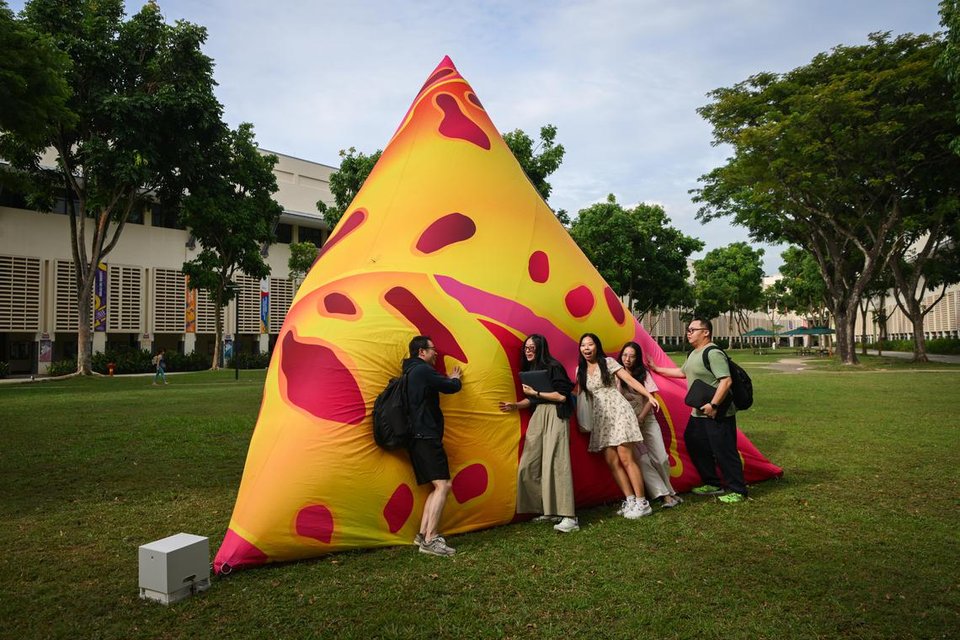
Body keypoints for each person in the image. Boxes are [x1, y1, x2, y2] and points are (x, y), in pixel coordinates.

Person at [647, 318, 748, 504]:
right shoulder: (694, 353)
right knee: (695, 443)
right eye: (688, 329)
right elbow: (682, 372)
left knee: (724, 450)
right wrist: (655, 368)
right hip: (698, 413)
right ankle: (713, 483)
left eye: (692, 329)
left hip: (718, 413)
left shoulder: (713, 352)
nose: (688, 332)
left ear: (706, 332)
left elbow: (726, 381)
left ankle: (738, 490)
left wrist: (714, 405)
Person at [499, 334, 578, 533]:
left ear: (541, 348)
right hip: (539, 414)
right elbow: (534, 400)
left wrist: (536, 394)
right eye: (526, 348)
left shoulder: (553, 366)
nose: (528, 351)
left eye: (532, 347)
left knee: (558, 463)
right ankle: (547, 509)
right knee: (530, 462)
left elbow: (561, 396)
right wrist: (516, 405)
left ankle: (569, 516)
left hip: (556, 414)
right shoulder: (530, 369)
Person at [576, 333, 661, 519]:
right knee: (612, 461)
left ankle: (642, 503)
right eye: (583, 345)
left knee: (626, 458)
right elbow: (579, 395)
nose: (587, 348)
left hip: (619, 412)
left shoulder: (607, 363)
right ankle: (630, 500)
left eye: (590, 344)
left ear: (596, 346)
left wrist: (648, 396)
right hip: (601, 418)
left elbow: (630, 380)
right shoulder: (580, 371)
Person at [403, 335, 463, 556]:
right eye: (432, 349)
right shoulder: (422, 370)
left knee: (436, 486)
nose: (436, 353)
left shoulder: (409, 371)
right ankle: (431, 538)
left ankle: (422, 535)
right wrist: (455, 378)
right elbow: (449, 387)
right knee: (444, 485)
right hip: (426, 435)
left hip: (416, 437)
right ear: (421, 352)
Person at [617, 341, 681, 508]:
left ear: (637, 358)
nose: (627, 359)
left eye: (632, 356)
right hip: (628, 424)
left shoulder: (643, 374)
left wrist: (641, 418)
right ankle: (664, 495)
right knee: (642, 461)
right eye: (625, 355)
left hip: (647, 420)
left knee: (661, 457)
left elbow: (650, 397)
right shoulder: (617, 373)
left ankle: (671, 491)